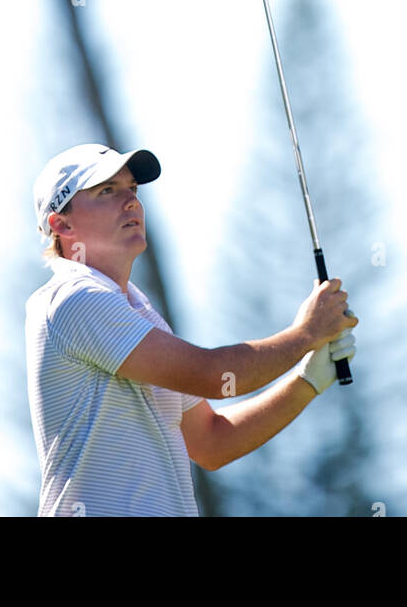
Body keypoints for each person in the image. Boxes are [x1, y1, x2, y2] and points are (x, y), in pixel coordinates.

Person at [25, 143, 358, 517]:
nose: (131, 201)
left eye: (132, 189)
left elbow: (212, 442)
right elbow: (214, 376)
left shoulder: (139, 314)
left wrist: (307, 380)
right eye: (107, 190)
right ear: (62, 224)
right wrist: (304, 335)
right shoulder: (73, 297)